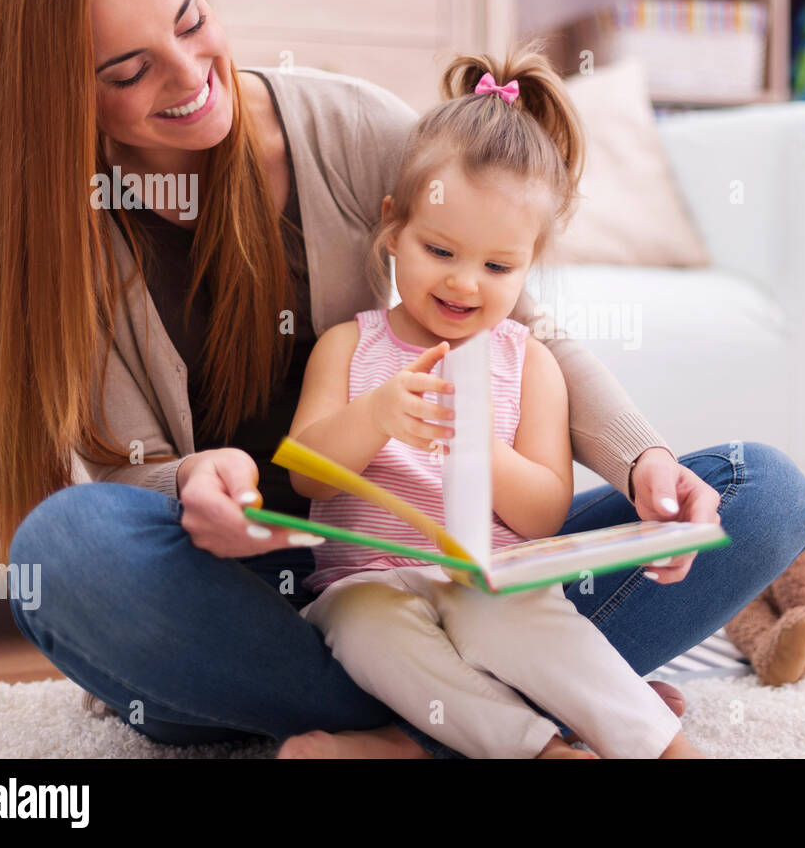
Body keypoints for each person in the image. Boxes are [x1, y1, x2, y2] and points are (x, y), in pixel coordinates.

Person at [0, 0, 805, 758]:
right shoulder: (70, 240)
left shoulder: (352, 129)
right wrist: (186, 485)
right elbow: (117, 474)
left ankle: (409, 734)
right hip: (272, 594)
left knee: (763, 493)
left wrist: (646, 463)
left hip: (467, 572)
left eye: (191, 19)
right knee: (63, 550)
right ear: (59, 94)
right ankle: (523, 709)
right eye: (130, 71)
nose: (188, 74)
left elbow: (527, 333)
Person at [283, 46, 701, 759]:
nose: (466, 285)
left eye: (498, 266)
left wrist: (485, 452)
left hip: (491, 580)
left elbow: (542, 515)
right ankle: (539, 749)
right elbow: (304, 474)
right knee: (369, 635)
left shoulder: (530, 363)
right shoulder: (347, 346)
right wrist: (376, 417)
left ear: (529, 265)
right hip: (365, 582)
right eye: (440, 251)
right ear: (393, 228)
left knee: (533, 628)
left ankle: (659, 745)